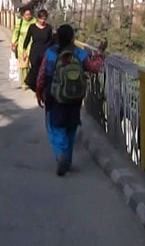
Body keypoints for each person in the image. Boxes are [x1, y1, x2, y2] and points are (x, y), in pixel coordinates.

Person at [35, 24, 105, 176]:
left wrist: (39, 92)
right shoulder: (79, 53)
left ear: (57, 37)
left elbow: (41, 75)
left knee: (55, 127)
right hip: (74, 96)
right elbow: (93, 67)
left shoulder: (51, 52)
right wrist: (99, 55)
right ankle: (67, 159)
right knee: (70, 127)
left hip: (54, 96)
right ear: (73, 37)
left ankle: (61, 156)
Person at [22, 9, 54, 90]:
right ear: (38, 18)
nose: (43, 21)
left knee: (43, 71)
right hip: (34, 53)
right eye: (41, 19)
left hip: (45, 52)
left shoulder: (48, 28)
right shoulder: (32, 27)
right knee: (35, 69)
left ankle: (42, 87)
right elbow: (27, 39)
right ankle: (36, 87)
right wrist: (24, 50)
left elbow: (51, 41)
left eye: (44, 19)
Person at [10, 8, 36, 89]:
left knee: (31, 64)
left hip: (32, 45)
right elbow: (15, 32)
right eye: (26, 15)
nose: (28, 16)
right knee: (23, 65)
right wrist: (13, 43)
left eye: (29, 14)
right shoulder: (20, 22)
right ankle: (24, 82)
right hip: (22, 46)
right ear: (23, 15)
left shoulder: (34, 21)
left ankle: (32, 81)